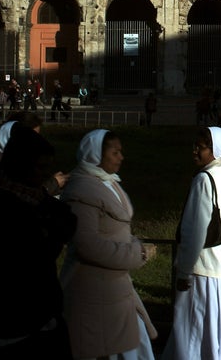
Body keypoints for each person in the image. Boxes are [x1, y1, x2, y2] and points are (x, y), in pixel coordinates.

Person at [0, 125, 77, 359]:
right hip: (15, 324)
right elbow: (35, 257)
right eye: (40, 167)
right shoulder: (0, 205)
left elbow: (67, 221)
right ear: (21, 165)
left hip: (33, 321)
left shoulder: (29, 197)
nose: (43, 175)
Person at [59, 129, 158, 359]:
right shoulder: (82, 189)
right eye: (115, 152)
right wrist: (137, 253)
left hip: (115, 286)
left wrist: (135, 245)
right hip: (96, 289)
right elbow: (88, 244)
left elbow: (117, 231)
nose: (120, 157)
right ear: (96, 155)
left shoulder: (107, 182)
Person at [162, 127, 221, 360]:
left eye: (201, 147)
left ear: (216, 150)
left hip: (203, 273)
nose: (195, 151)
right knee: (220, 337)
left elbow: (194, 230)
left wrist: (184, 271)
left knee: (193, 337)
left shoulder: (204, 179)